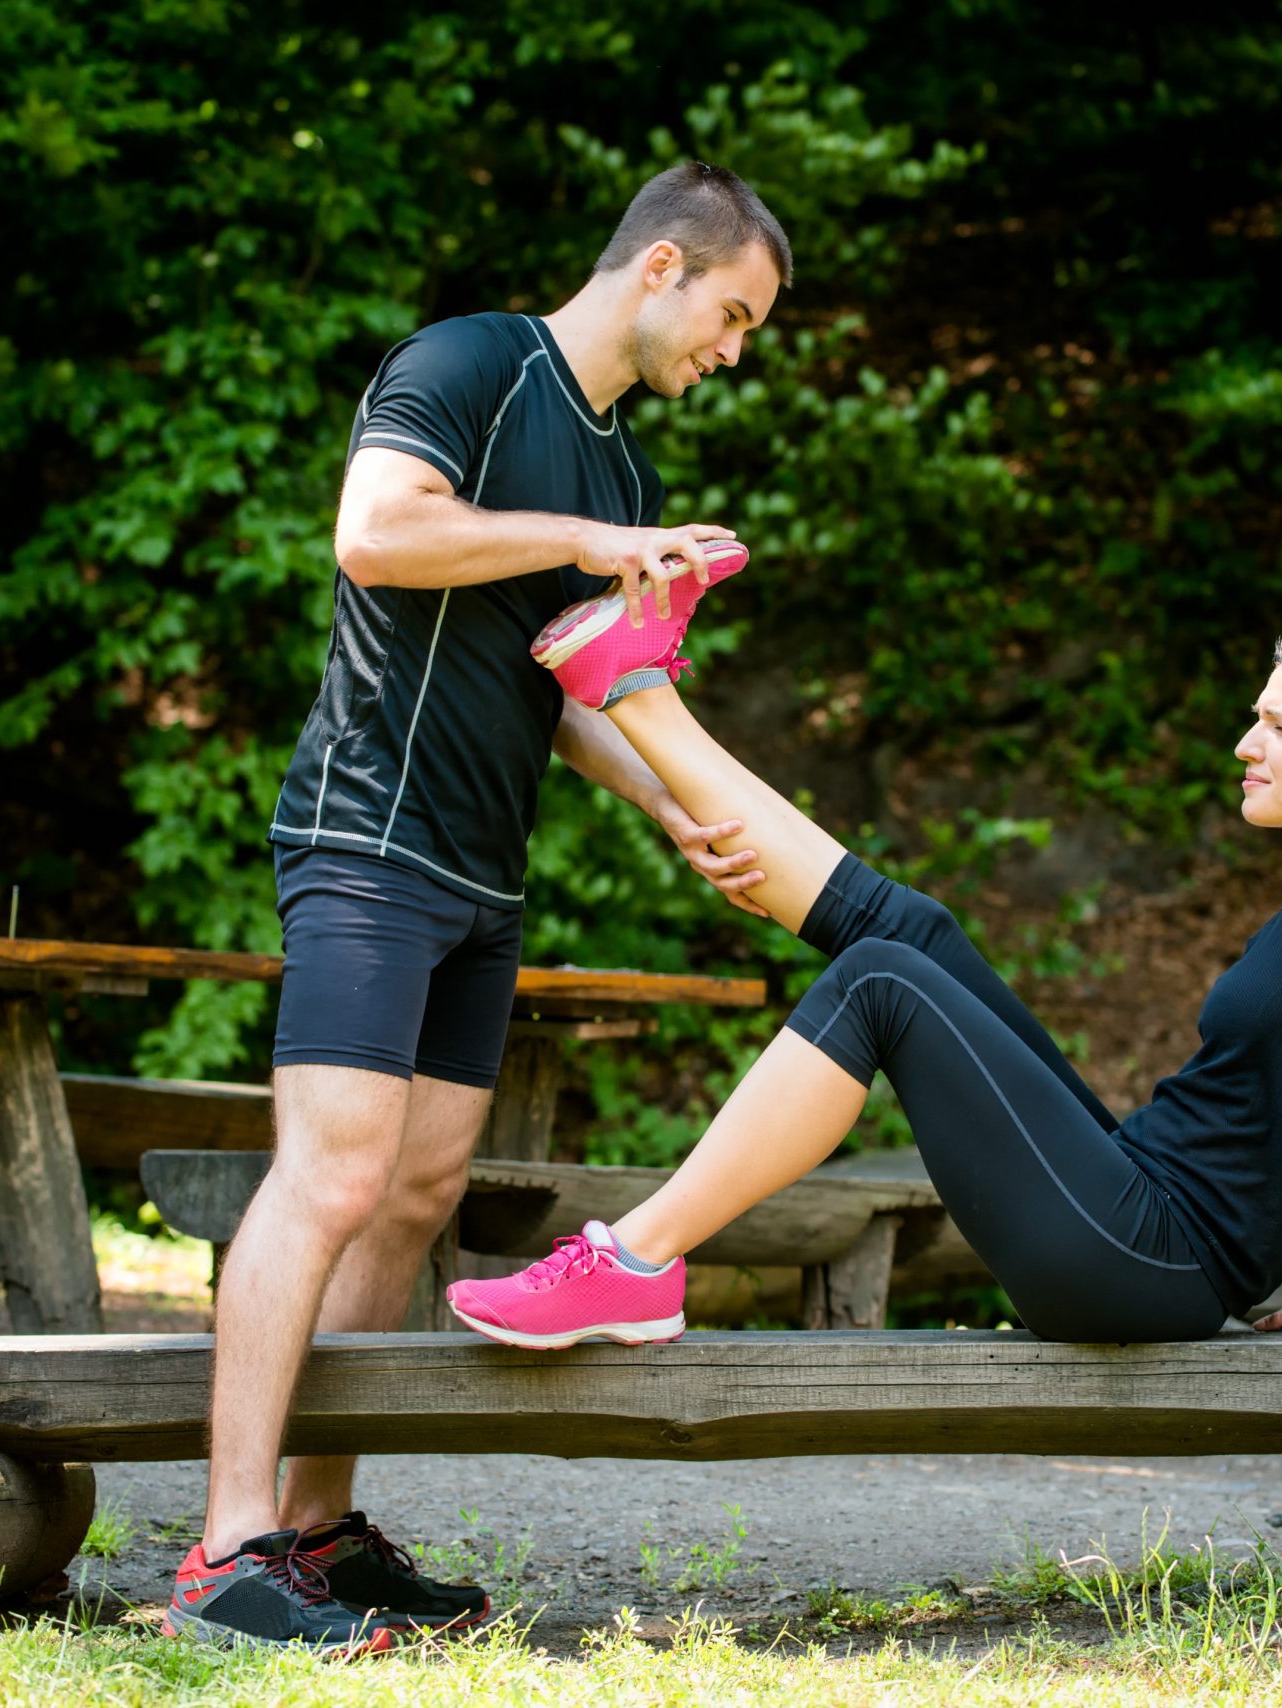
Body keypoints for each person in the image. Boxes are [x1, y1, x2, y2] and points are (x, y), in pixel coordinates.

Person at [167, 163, 794, 1651]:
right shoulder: (468, 363)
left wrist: (668, 807)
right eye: (733, 314)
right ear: (661, 266)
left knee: (417, 1193)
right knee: (331, 1175)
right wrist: (579, 543)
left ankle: (318, 1529)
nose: (735, 350)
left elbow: (566, 687)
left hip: (482, 871)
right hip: (365, 841)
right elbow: (378, 533)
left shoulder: (624, 479)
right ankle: (224, 1552)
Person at [451, 609, 1282, 1411]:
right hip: (1140, 1217)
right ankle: (641, 693)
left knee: (883, 983)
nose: (1243, 746)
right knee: (909, 932)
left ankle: (636, 1263)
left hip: (1154, 1256)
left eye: (1276, 729)